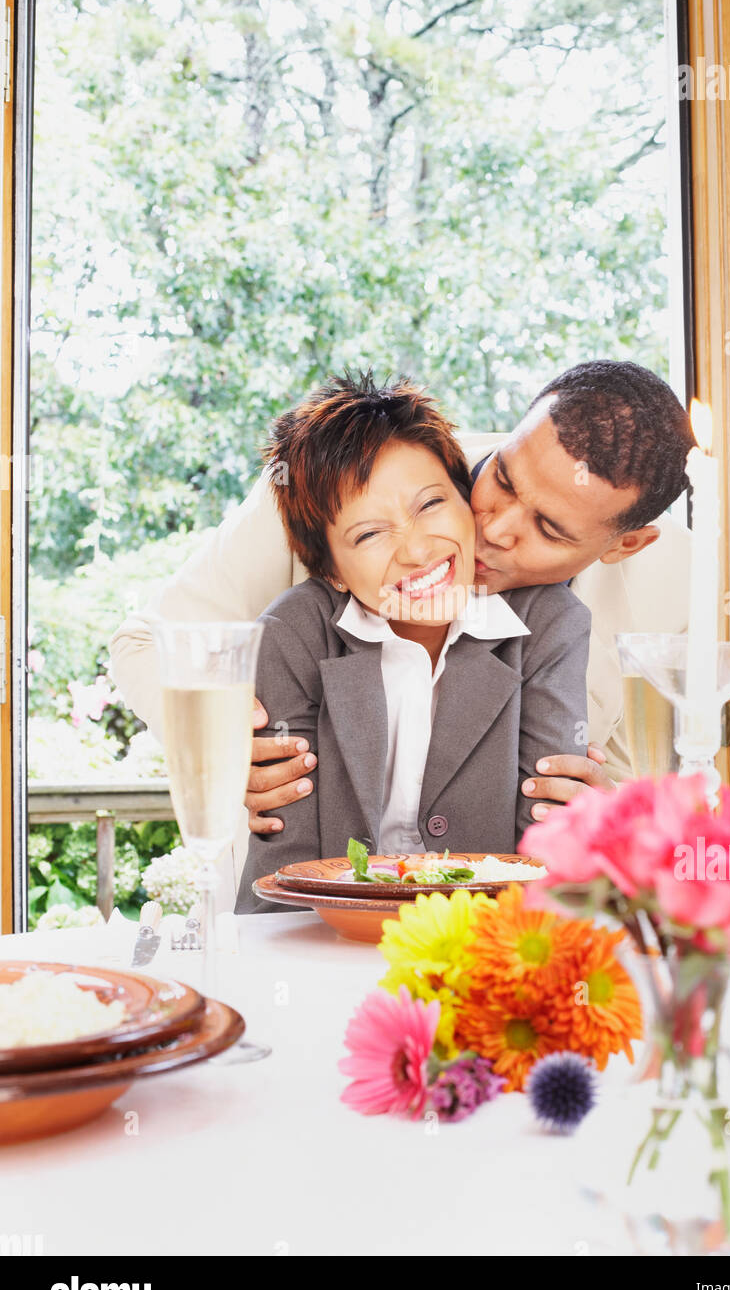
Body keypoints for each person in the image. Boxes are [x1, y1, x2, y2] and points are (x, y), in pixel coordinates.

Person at [109, 358, 693, 900]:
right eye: (505, 481)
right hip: (299, 905)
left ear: (624, 545)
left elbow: (630, 785)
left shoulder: (670, 589)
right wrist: (228, 744)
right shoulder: (341, 479)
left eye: (548, 529)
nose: (494, 529)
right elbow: (142, 645)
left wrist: (605, 817)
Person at [236, 374, 590, 912]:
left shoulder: (549, 624)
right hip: (327, 937)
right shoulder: (294, 634)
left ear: (464, 498)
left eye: (430, 505)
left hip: (487, 940)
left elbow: (542, 853)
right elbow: (288, 869)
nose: (417, 549)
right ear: (331, 570)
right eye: (369, 534)